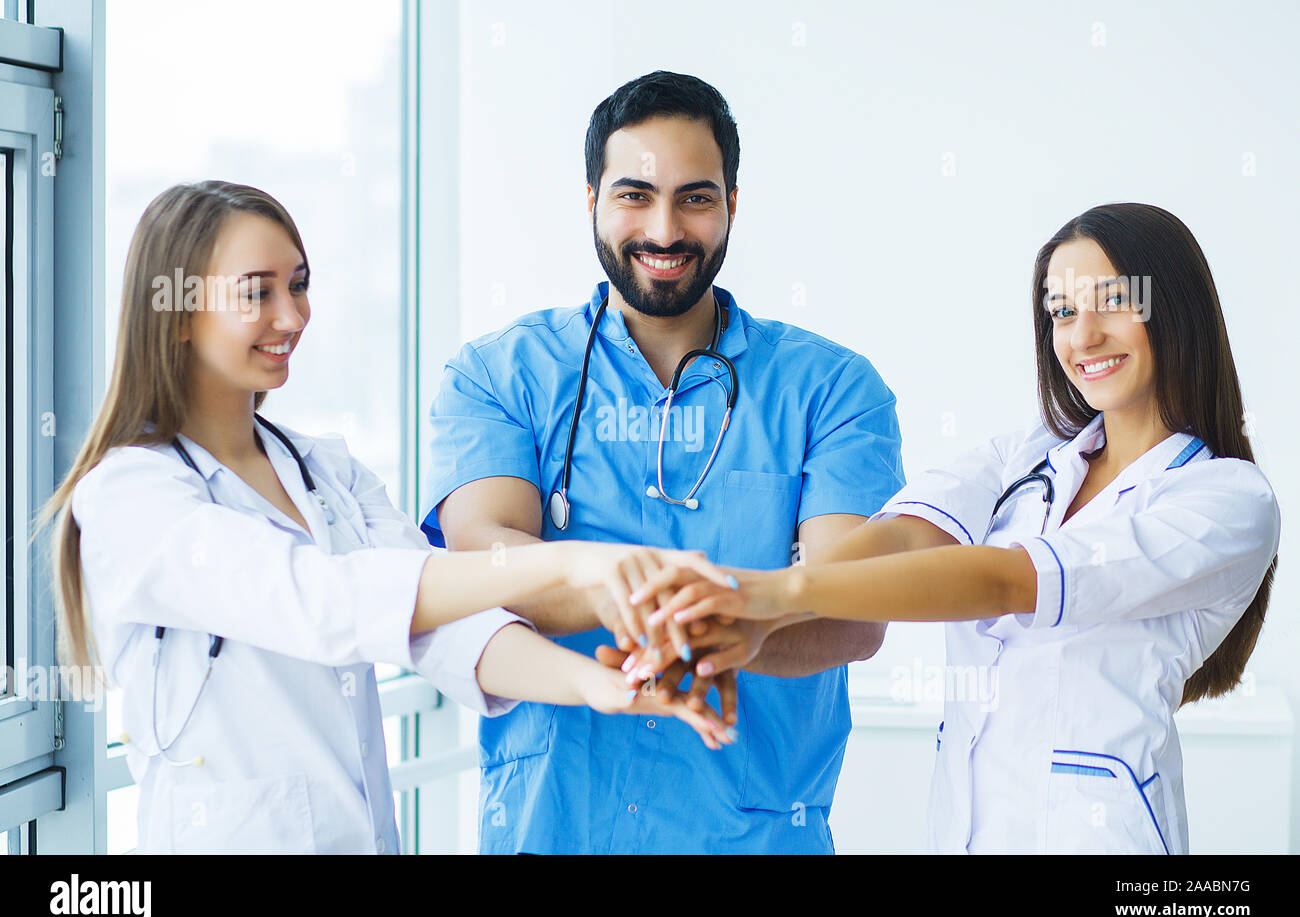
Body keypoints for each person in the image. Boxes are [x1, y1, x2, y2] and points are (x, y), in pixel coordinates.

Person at [39, 180, 731, 854]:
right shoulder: (133, 496)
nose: (292, 317)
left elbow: (446, 623)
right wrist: (567, 557)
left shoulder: (327, 470)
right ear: (181, 313)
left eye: (299, 284)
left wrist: (601, 686)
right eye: (258, 293)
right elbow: (326, 601)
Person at [631, 203, 1281, 854]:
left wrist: (772, 596)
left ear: (1173, 309)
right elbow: (906, 537)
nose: (1082, 337)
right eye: (1061, 312)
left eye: (1110, 303)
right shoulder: (1023, 458)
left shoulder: (1226, 500)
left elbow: (1009, 581)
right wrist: (751, 622)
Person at [424, 71, 905, 854]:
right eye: (634, 195)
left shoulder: (834, 390)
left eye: (696, 197)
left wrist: (626, 601)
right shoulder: (499, 376)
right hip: (553, 829)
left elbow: (853, 611)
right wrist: (713, 606)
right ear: (591, 203)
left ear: (732, 206)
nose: (665, 229)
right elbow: (483, 560)